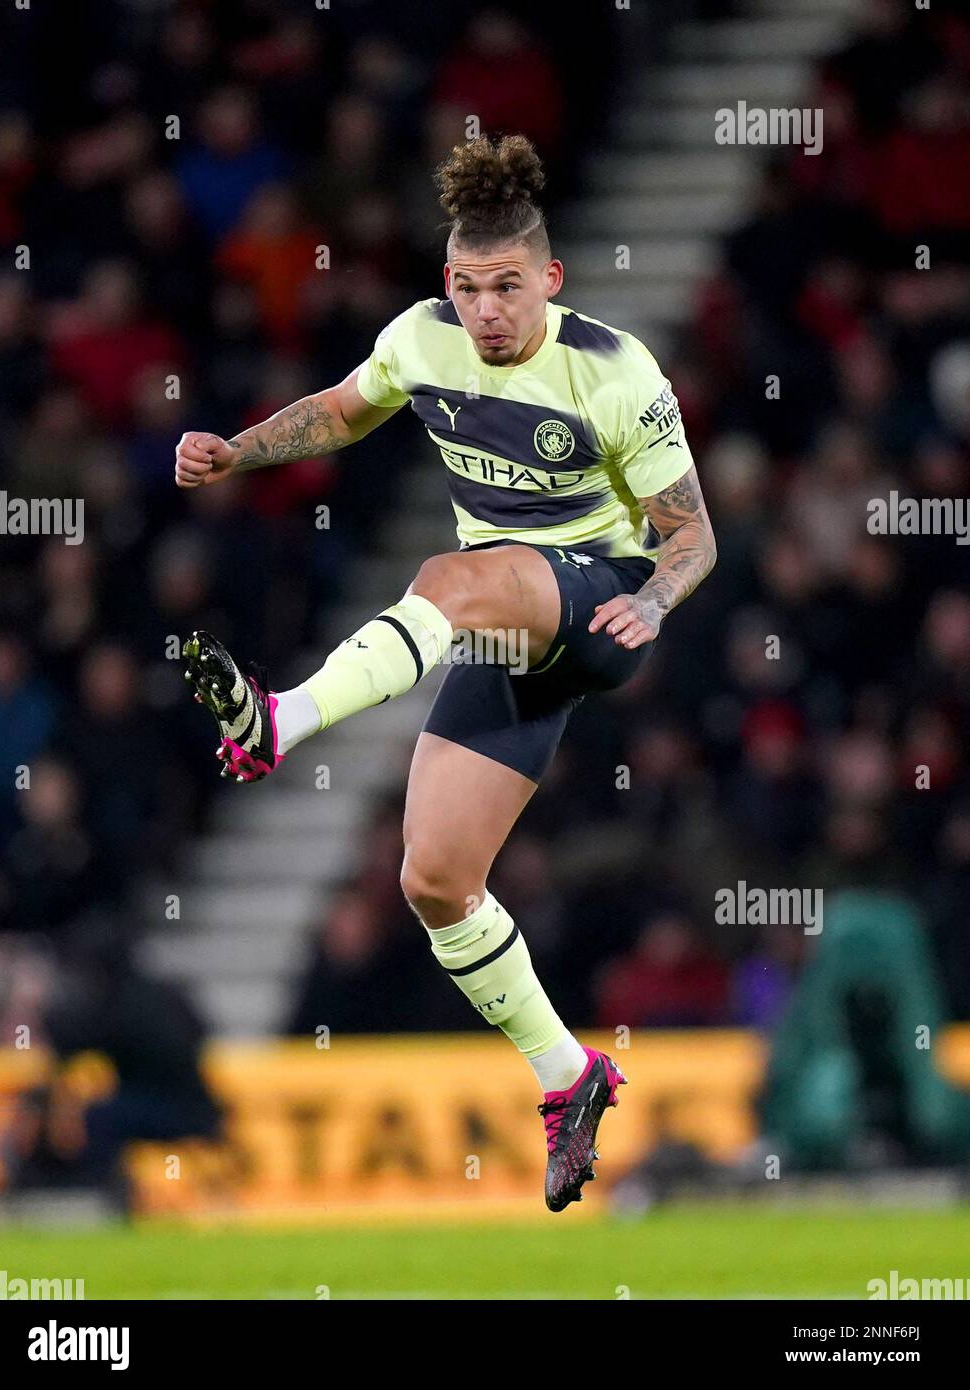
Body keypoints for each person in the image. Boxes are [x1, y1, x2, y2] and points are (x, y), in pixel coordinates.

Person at [173, 134, 717, 1212]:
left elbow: (691, 536)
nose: (485, 311)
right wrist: (238, 450)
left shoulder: (614, 370)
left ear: (548, 282)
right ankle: (568, 1074)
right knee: (431, 880)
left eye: (506, 288)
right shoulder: (420, 340)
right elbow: (339, 410)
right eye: (467, 289)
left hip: (600, 604)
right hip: (504, 626)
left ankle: (277, 721)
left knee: (449, 573)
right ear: (446, 289)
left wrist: (651, 601)